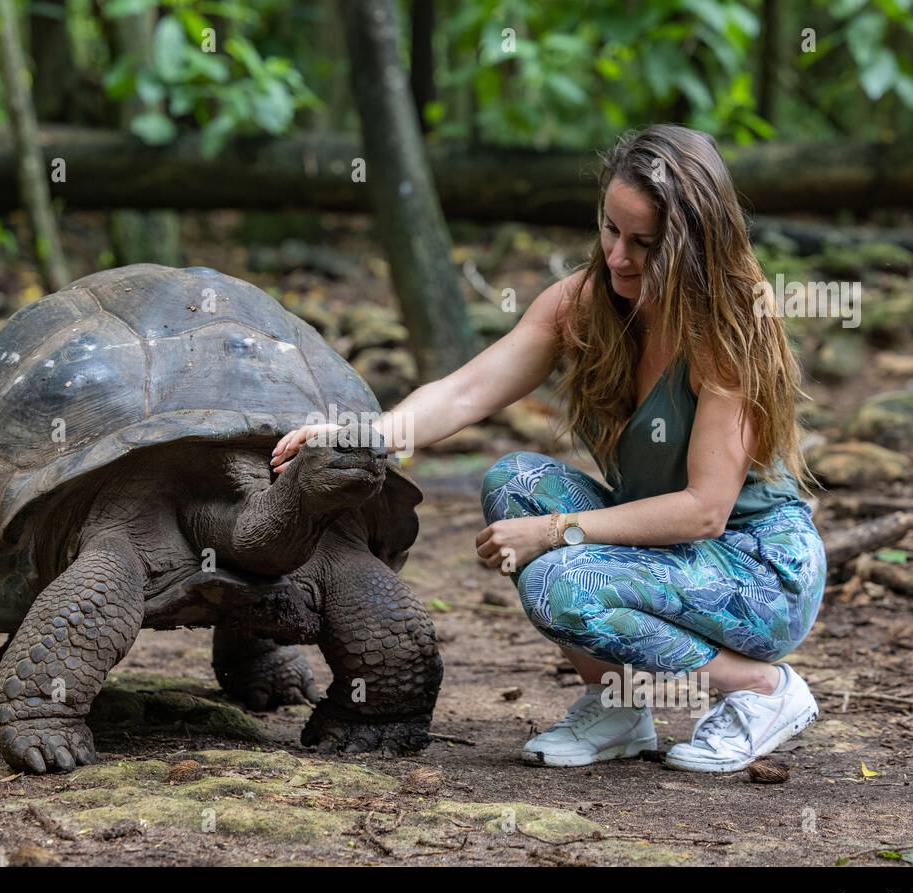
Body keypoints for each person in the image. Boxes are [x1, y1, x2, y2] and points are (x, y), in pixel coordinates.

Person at [270, 124, 826, 774]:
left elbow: (704, 511)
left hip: (758, 570)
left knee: (565, 576)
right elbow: (468, 390)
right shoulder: (583, 305)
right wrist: (358, 437)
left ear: (695, 247)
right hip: (671, 551)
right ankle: (619, 704)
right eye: (610, 229)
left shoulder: (724, 337)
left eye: (645, 244)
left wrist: (557, 530)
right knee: (512, 480)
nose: (618, 256)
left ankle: (764, 688)